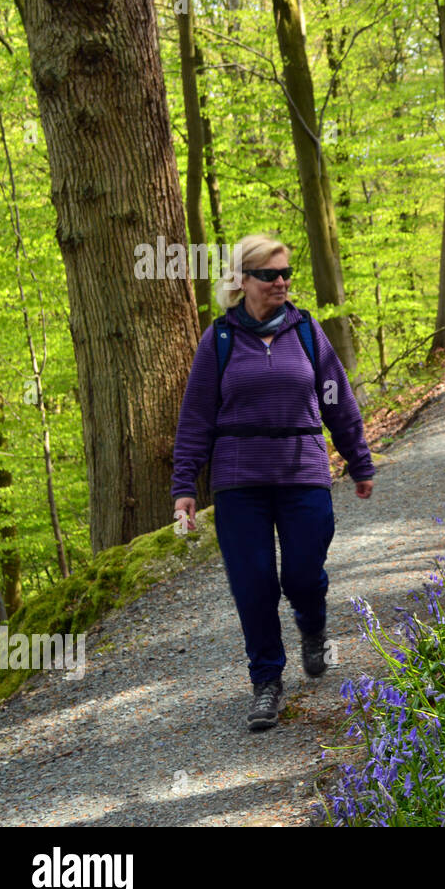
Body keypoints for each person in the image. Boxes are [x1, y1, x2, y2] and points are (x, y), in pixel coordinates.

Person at [170, 234, 375, 732]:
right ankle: (266, 682)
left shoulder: (308, 332)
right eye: (270, 275)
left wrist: (359, 460)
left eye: (286, 274)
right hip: (239, 478)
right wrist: (184, 489)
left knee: (302, 573)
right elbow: (196, 418)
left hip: (303, 468)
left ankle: (312, 622)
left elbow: (336, 400)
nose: (281, 282)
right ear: (242, 281)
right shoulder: (218, 340)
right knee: (253, 584)